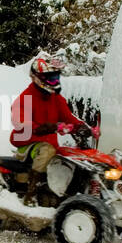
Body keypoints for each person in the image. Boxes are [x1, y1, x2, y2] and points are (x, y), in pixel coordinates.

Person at [9, 55, 89, 206]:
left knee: (71, 156)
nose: (55, 82)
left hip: (50, 144)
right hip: (27, 143)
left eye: (56, 77)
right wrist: (41, 127)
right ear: (38, 78)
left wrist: (82, 128)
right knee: (47, 150)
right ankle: (30, 194)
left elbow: (68, 117)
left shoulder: (56, 98)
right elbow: (19, 122)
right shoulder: (25, 98)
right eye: (51, 78)